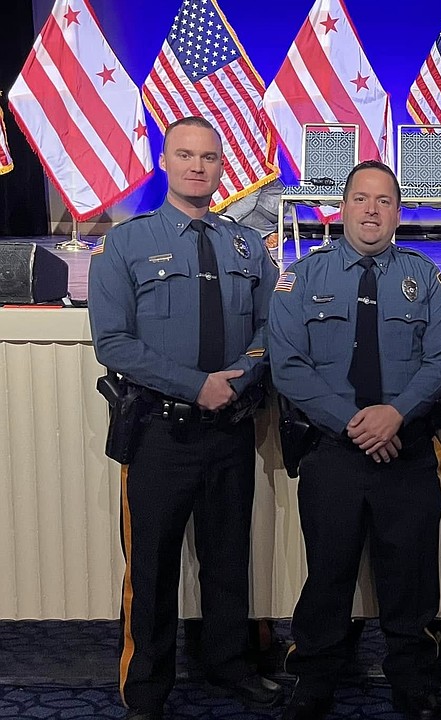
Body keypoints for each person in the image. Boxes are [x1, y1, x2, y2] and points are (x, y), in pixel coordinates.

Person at [87, 116, 283, 720]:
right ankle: (147, 686)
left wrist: (238, 378)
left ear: (222, 166)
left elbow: (271, 328)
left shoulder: (246, 246)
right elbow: (113, 342)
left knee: (228, 557)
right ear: (165, 162)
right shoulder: (126, 243)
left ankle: (229, 665)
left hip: (229, 428)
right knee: (151, 564)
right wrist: (197, 386)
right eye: (185, 155)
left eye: (209, 157)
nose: (198, 166)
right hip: (158, 431)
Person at [268, 160, 441, 720]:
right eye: (361, 199)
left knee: (410, 575)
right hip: (333, 451)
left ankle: (413, 679)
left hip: (406, 450)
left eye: (384, 201)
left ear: (397, 213)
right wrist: (357, 423)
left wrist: (394, 415)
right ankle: (314, 678)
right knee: (328, 572)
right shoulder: (304, 278)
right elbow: (288, 364)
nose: (372, 210)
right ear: (343, 207)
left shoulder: (424, 279)